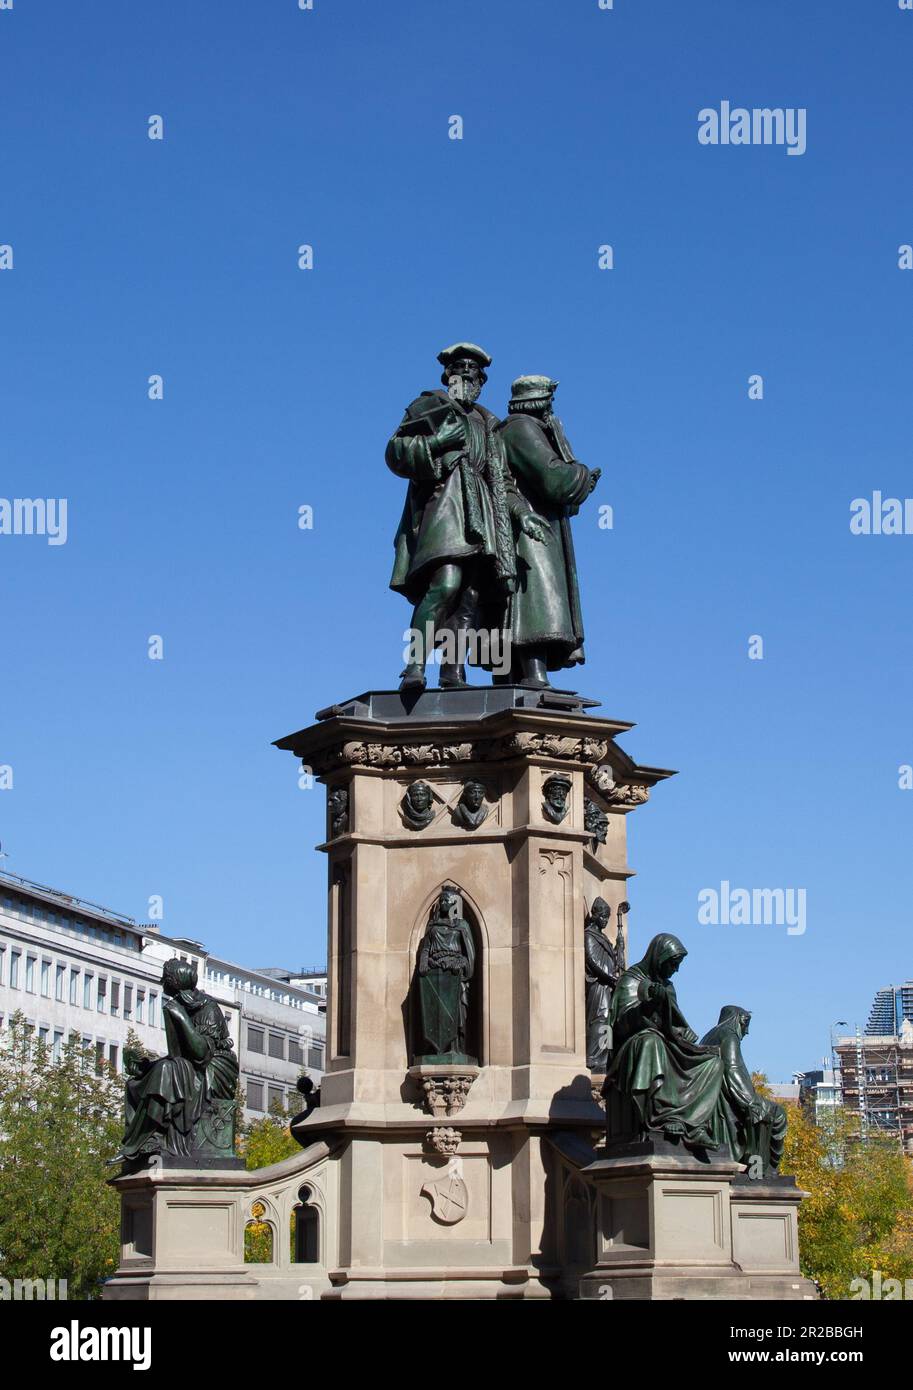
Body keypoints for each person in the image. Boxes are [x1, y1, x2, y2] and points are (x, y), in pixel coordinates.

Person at [388, 344, 535, 690]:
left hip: (482, 516)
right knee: (446, 584)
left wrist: (521, 515)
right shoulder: (430, 406)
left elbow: (502, 481)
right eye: (460, 371)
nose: (467, 377)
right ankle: (414, 666)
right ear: (448, 376)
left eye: (474, 374)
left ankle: (452, 673)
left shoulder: (487, 424)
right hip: (445, 510)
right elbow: (396, 453)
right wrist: (438, 441)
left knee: (470, 598)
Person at [496, 376, 600, 688]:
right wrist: (581, 476)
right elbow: (551, 477)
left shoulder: (522, 428)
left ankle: (516, 674)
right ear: (538, 401)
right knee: (535, 595)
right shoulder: (521, 428)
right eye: (549, 398)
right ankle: (532, 672)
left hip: (533, 523)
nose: (552, 406)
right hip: (528, 529)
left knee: (530, 596)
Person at [606, 933, 725, 1151]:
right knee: (651, 1042)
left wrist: (685, 1035)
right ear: (659, 957)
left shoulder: (668, 987)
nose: (676, 970)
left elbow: (674, 1025)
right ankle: (663, 1117)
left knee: (713, 1062)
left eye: (678, 964)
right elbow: (619, 1026)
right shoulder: (630, 980)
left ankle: (693, 1124)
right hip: (632, 1048)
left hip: (668, 1044)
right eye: (673, 964)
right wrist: (648, 1005)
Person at [115, 957, 238, 1163]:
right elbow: (178, 1056)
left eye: (165, 978)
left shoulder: (208, 1008)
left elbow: (201, 1053)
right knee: (135, 1082)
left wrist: (180, 1017)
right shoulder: (176, 1005)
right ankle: (149, 1140)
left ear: (174, 982)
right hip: (190, 1066)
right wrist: (147, 1066)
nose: (162, 981)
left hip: (215, 1068)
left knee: (165, 1070)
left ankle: (138, 1144)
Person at [700, 1005, 788, 1174]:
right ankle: (768, 1169)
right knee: (778, 1114)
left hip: (717, 1097)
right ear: (736, 1020)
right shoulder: (729, 1036)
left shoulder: (708, 1036)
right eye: (745, 1023)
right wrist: (752, 1102)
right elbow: (733, 1071)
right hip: (729, 1099)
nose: (746, 1031)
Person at [584, 898, 619, 1072]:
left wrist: (617, 949)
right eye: (603, 916)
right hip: (599, 986)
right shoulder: (589, 935)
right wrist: (611, 977)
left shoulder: (603, 937)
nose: (605, 920)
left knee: (608, 1021)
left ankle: (605, 1058)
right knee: (600, 1018)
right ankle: (594, 1057)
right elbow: (593, 960)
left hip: (608, 986)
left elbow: (612, 959)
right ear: (595, 914)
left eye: (607, 917)